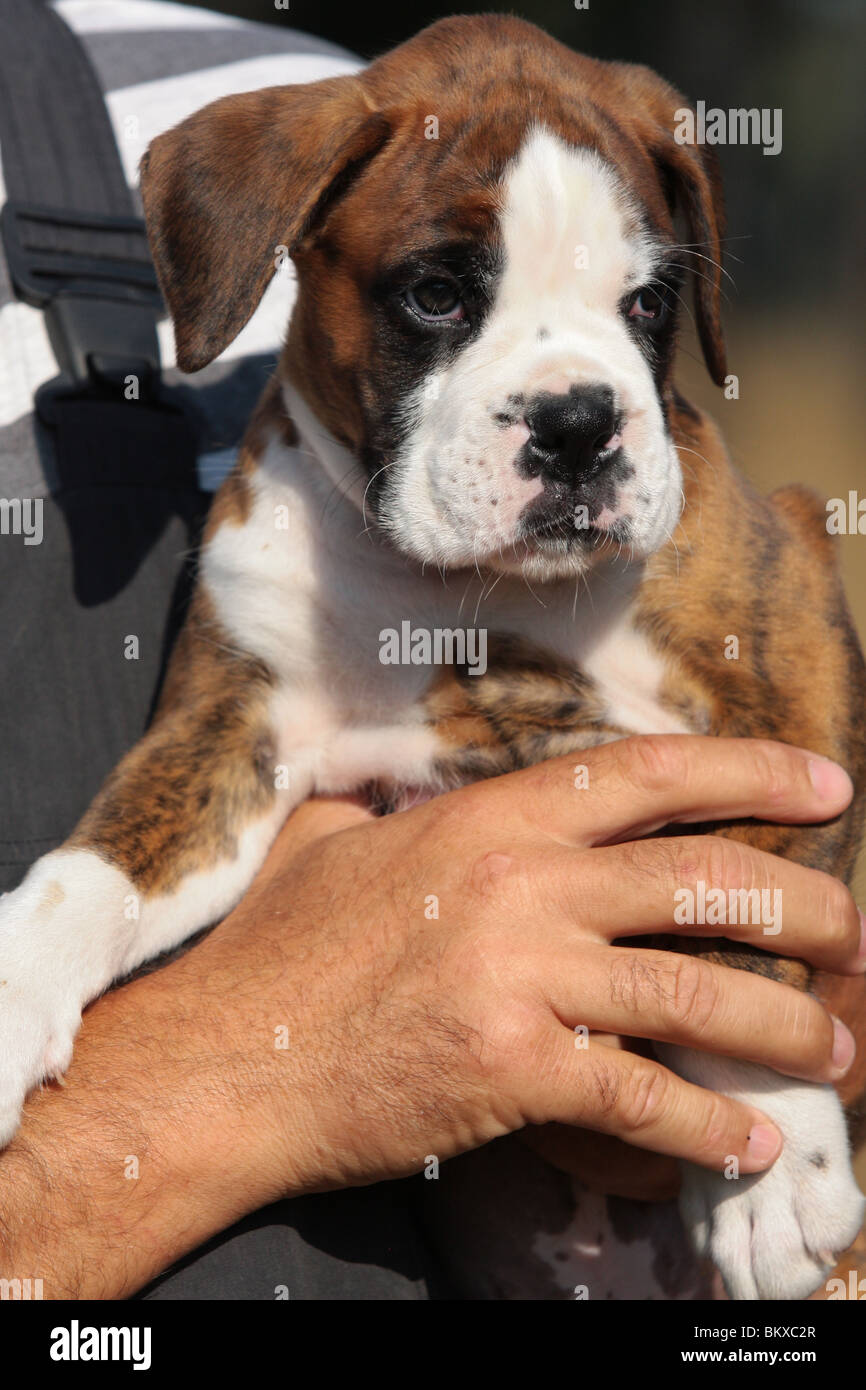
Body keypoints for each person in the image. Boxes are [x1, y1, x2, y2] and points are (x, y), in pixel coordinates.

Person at [0, 1, 863, 1301]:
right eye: (442, 296)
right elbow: (218, 758)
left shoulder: (344, 96)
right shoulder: (288, 479)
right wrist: (36, 959)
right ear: (266, 255)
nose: (570, 402)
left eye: (637, 303)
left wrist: (773, 1064)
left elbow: (798, 702)